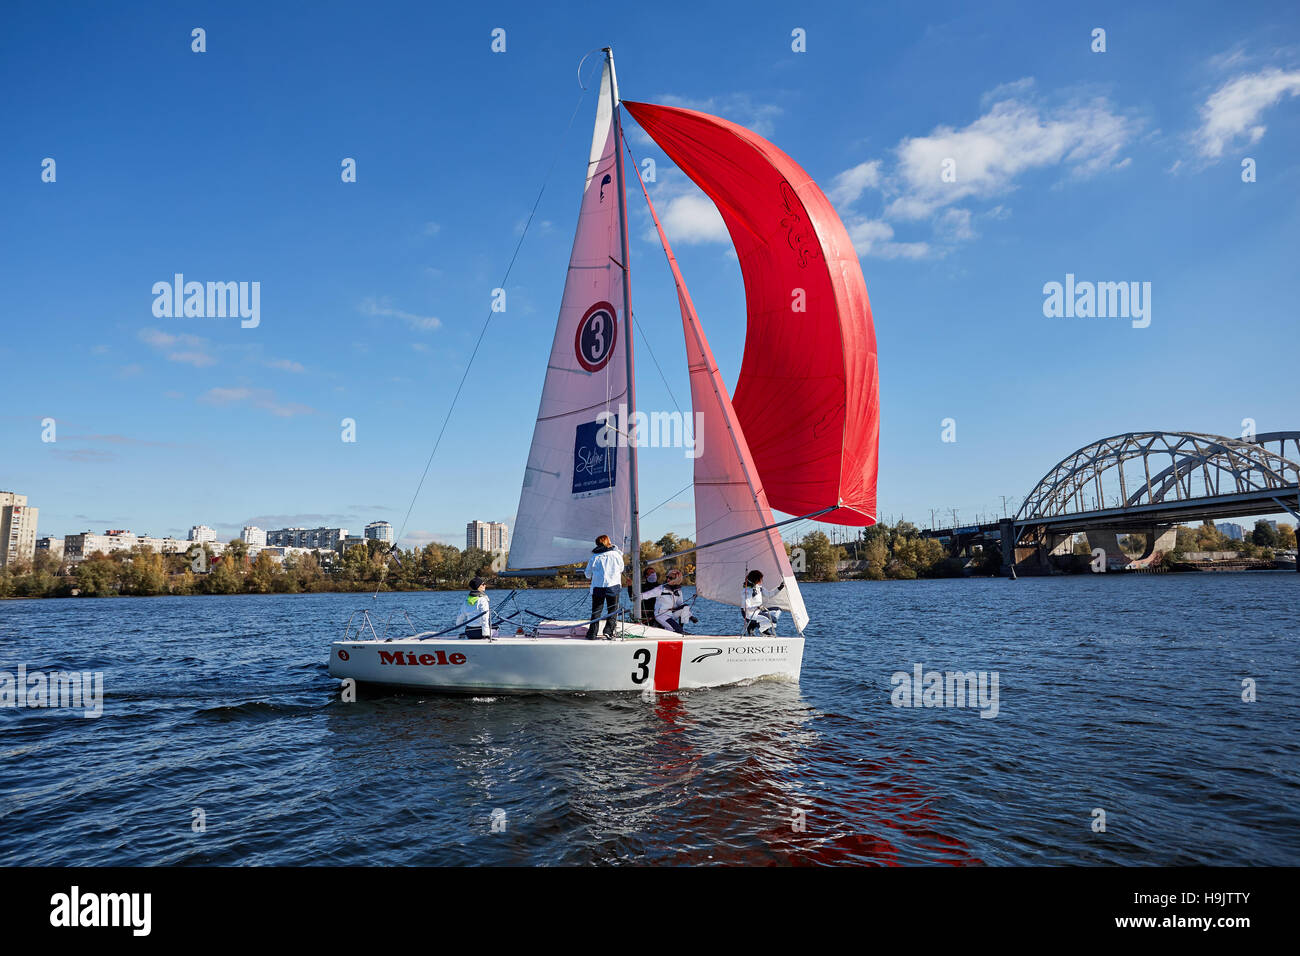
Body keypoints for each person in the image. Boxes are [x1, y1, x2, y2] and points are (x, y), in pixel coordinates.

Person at [583, 534, 625, 640]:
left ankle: (592, 633)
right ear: (608, 542)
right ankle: (608, 631)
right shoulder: (616, 555)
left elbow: (587, 574)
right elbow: (621, 568)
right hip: (613, 585)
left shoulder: (594, 557)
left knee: (596, 611)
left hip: (598, 587)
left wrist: (595, 574)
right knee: (613, 610)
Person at [650, 568, 696, 634]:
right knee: (674, 626)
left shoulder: (678, 591)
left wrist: (691, 616)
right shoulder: (661, 588)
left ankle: (680, 630)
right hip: (661, 614)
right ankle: (678, 631)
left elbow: (681, 606)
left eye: (670, 578)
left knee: (685, 607)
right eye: (667, 577)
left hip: (671, 614)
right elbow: (645, 595)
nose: (668, 579)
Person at [742, 569, 784, 636]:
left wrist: (779, 588)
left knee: (778, 610)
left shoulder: (758, 588)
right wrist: (757, 607)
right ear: (756, 579)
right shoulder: (747, 590)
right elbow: (746, 606)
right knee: (773, 620)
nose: (761, 581)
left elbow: (769, 594)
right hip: (749, 614)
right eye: (760, 579)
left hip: (757, 611)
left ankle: (760, 628)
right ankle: (761, 629)